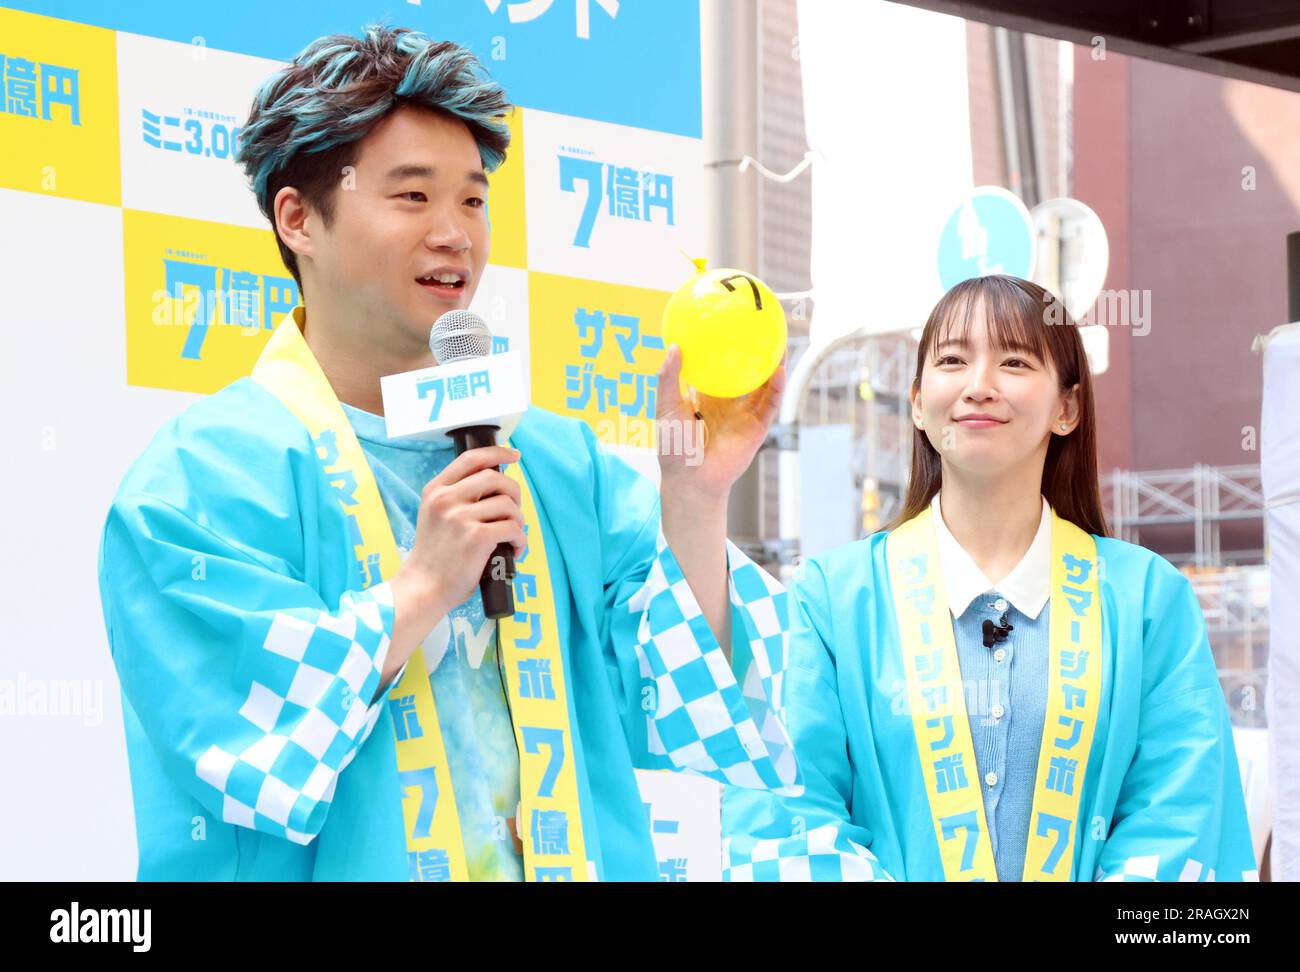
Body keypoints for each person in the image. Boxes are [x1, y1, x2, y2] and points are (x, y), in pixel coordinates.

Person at [97, 25, 798, 882]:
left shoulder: (551, 459)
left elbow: (687, 709)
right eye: (412, 196)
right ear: (297, 218)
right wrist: (421, 589)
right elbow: (244, 758)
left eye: (471, 200)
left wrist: (694, 498)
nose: (455, 234)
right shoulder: (197, 485)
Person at [721, 274, 1257, 882]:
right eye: (953, 360)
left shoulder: (1147, 602)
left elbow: (1179, 821)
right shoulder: (832, 600)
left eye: (1014, 361)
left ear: (1067, 407)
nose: (979, 386)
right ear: (919, 403)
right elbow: (793, 814)